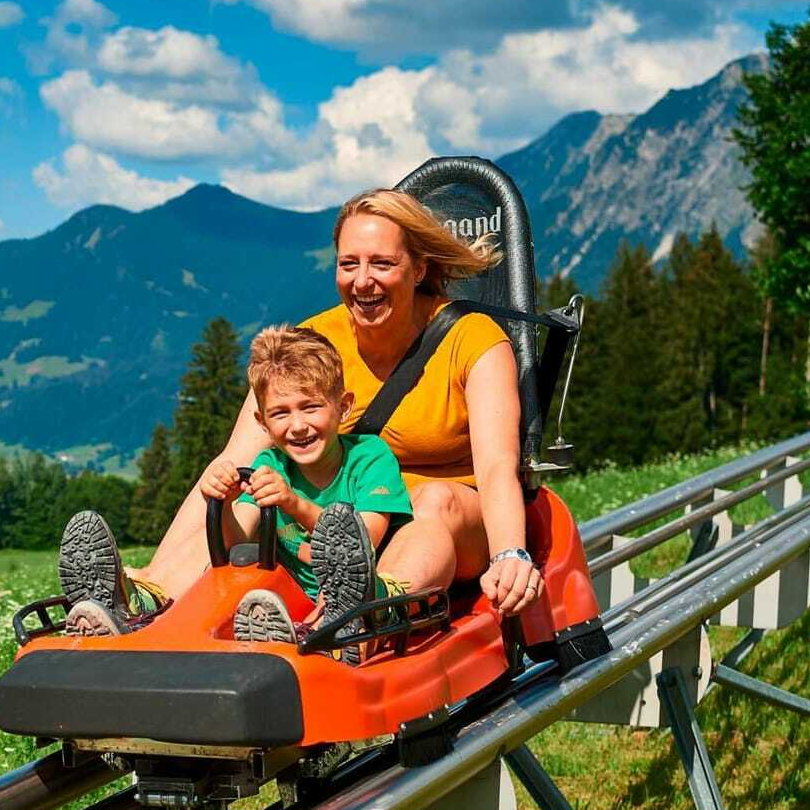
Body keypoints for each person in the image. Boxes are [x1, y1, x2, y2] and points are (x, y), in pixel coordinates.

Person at [131, 187, 544, 618]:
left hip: (449, 525)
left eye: (382, 264)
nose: (362, 281)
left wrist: (510, 554)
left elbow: (497, 467)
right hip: (339, 524)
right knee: (244, 499)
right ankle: (145, 597)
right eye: (349, 264)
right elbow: (235, 460)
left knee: (434, 501)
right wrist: (158, 566)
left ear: (419, 268)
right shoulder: (313, 344)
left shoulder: (473, 340)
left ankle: (366, 610)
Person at [195, 325, 411, 643]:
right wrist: (224, 504)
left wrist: (294, 504)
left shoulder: (370, 457)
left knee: (355, 584)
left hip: (362, 589)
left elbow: (360, 542)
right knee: (231, 573)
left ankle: (336, 626)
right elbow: (237, 542)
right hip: (290, 595)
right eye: (280, 413)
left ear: (343, 407)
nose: (297, 426)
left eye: (310, 407)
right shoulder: (270, 464)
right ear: (262, 423)